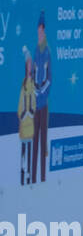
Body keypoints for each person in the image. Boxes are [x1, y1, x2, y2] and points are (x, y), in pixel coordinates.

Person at [33, 11, 52, 183]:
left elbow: (50, 78)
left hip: (43, 103)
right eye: (38, 29)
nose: (40, 32)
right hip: (35, 103)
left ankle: (43, 178)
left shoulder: (47, 51)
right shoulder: (35, 51)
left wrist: (42, 91)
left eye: (42, 29)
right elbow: (32, 74)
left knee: (42, 139)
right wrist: (34, 89)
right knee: (34, 140)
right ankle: (32, 178)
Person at [18, 48, 36, 186]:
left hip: (30, 123)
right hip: (24, 124)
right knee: (23, 152)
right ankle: (22, 175)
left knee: (29, 152)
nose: (30, 67)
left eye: (31, 65)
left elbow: (34, 103)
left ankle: (29, 176)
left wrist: (31, 111)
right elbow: (20, 104)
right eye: (28, 65)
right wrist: (23, 114)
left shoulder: (32, 85)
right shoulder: (23, 85)